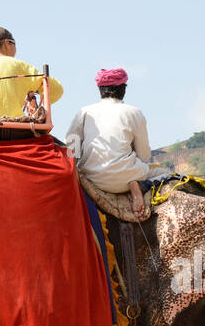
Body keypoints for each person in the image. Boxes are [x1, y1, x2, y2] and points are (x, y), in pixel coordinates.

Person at [65, 69, 175, 220]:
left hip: (91, 179)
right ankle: (140, 187)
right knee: (168, 173)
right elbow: (144, 156)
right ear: (123, 90)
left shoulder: (83, 112)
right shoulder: (134, 112)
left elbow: (71, 148)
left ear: (100, 90)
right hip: (126, 178)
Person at [0, 27, 64, 120]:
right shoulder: (20, 66)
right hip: (13, 126)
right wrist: (36, 93)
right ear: (7, 43)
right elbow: (56, 89)